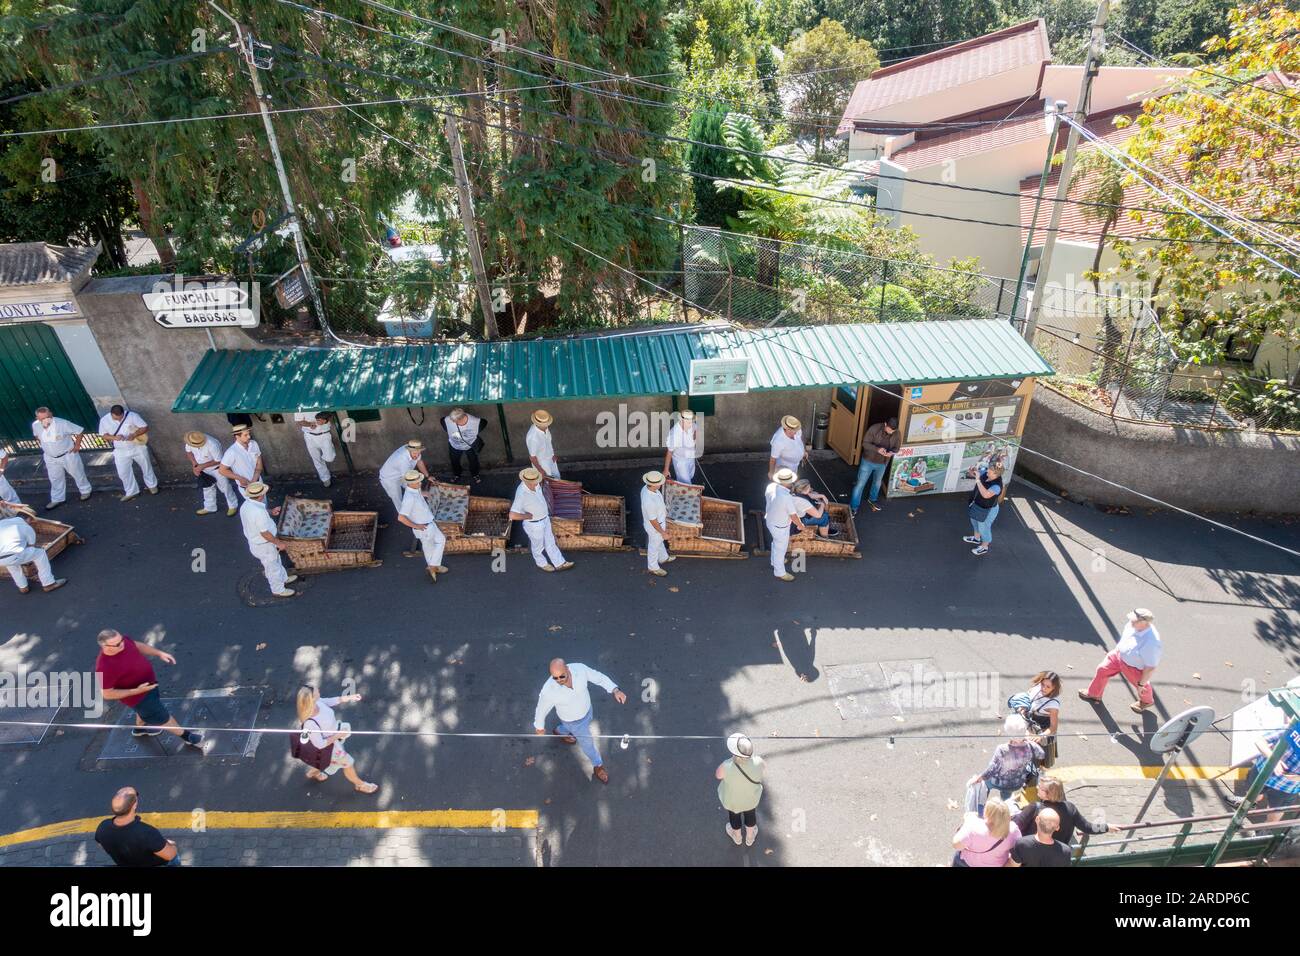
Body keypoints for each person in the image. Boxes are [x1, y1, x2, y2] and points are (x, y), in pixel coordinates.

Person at [94, 628, 203, 748]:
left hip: (149, 684)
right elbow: (107, 694)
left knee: (144, 712)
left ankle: (139, 730)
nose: (123, 644)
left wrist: (159, 653)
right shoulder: (104, 667)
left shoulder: (123, 642)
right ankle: (187, 737)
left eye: (122, 639)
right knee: (162, 716)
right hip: (138, 697)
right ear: (106, 647)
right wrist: (137, 691)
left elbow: (137, 645)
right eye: (118, 644)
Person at [533, 658, 626, 784]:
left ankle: (560, 731)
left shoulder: (580, 669)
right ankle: (598, 765)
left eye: (562, 676)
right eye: (555, 678)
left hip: (587, 710)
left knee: (570, 727)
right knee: (588, 744)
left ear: (567, 668)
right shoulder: (549, 691)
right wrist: (539, 726)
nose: (559, 680)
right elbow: (541, 709)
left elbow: (598, 677)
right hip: (573, 721)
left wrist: (615, 690)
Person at [296, 686, 379, 793]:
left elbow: (329, 701)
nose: (319, 691)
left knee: (325, 760)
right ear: (311, 699)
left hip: (334, 737)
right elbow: (320, 744)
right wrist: (338, 735)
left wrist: (348, 698)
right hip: (331, 747)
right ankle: (360, 785)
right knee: (348, 763)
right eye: (317, 691)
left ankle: (313, 772)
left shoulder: (317, 703)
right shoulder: (310, 723)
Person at [1079, 609, 1161, 714]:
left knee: (1143, 687)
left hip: (1133, 667)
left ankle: (1147, 701)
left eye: (1134, 620)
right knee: (1102, 669)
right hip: (1118, 655)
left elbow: (1150, 667)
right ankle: (1094, 693)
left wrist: (1141, 684)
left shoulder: (1152, 642)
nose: (1130, 621)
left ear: (1144, 622)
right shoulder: (1132, 625)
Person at [1229, 718, 1300, 827]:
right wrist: (1273, 758)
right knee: (1252, 791)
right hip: (1263, 770)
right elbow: (1260, 741)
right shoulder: (1294, 728)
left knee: (1275, 811)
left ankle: (1264, 830)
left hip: (1287, 787)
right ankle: (1249, 803)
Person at [965, 714, 1044, 811]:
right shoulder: (1031, 746)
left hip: (998, 781)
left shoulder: (1002, 749)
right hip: (1016, 782)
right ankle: (1005, 812)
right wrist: (1028, 740)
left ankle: (982, 805)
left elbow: (992, 769)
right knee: (1006, 799)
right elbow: (1041, 754)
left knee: (985, 784)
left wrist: (980, 777)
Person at [1013, 777, 1119, 847]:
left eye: (1040, 788)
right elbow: (1087, 827)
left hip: (1030, 849)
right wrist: (1107, 827)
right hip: (1056, 852)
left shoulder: (1035, 808)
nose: (1036, 787)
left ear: (1047, 794)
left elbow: (1015, 825)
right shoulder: (1070, 808)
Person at [94, 787, 179, 867]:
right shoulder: (146, 832)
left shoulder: (103, 827)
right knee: (174, 857)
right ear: (134, 805)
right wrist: (171, 844)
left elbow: (101, 844)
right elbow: (170, 855)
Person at [510, 466, 573, 572]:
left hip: (545, 519)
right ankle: (541, 563)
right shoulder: (521, 493)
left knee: (550, 541)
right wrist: (527, 516)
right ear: (527, 482)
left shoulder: (536, 484)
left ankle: (559, 563)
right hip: (534, 524)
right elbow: (512, 515)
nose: (537, 482)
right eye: (535, 481)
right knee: (537, 546)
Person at [239, 481, 297, 598]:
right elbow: (265, 533)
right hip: (264, 544)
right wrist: (279, 543)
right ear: (261, 496)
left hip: (257, 543)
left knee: (276, 561)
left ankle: (283, 578)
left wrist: (271, 511)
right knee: (272, 568)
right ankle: (278, 589)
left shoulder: (246, 505)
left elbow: (260, 517)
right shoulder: (259, 512)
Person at [31, 406, 91, 510]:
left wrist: (77, 445)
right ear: (37, 418)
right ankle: (57, 499)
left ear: (50, 414)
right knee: (55, 478)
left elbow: (79, 431)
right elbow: (37, 436)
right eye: (41, 419)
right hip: (50, 457)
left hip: (67, 455)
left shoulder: (62, 423)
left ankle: (85, 491)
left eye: (46, 417)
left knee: (77, 473)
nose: (45, 420)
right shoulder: (36, 425)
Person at [396, 469, 448, 583]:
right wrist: (416, 526)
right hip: (424, 527)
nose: (420, 483)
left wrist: (425, 494)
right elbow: (401, 518)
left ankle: (433, 566)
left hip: (429, 523)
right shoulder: (409, 499)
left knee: (438, 542)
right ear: (410, 483)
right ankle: (433, 566)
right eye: (418, 481)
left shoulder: (415, 489)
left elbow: (419, 494)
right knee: (433, 544)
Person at [98, 404, 157, 502]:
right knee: (123, 472)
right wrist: (114, 438)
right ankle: (131, 491)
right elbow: (103, 435)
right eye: (116, 418)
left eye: (120, 418)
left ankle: (152, 485)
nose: (119, 420)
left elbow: (145, 427)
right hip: (120, 450)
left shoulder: (132, 415)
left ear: (123, 413)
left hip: (137, 447)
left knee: (146, 466)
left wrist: (134, 434)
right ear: (111, 414)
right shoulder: (104, 420)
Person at [716, 733, 765, 846]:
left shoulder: (726, 765)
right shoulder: (758, 761)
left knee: (734, 817)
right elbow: (763, 771)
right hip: (750, 798)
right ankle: (750, 837)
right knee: (750, 815)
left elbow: (718, 775)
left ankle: (737, 837)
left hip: (733, 800)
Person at [0, 509, 66, 592]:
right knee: (40, 553)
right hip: (15, 554)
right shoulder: (26, 527)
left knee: (11, 564)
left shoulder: (3, 523)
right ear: (28, 519)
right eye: (31, 521)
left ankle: (23, 587)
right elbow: (32, 545)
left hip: (1, 559)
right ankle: (49, 583)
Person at [1008, 671, 1062, 769]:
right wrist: (1023, 707)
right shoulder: (1036, 688)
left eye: (1048, 687)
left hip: (1042, 730)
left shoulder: (1053, 705)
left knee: (1041, 758)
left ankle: (1039, 773)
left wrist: (1041, 736)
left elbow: (1053, 727)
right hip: (1029, 724)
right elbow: (1027, 697)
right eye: (1043, 684)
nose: (1043, 688)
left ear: (1054, 688)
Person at [849, 417, 898, 516]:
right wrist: (877, 449)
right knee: (860, 484)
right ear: (885, 424)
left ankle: (872, 499)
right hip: (868, 461)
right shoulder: (874, 428)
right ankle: (853, 507)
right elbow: (865, 444)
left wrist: (892, 452)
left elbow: (896, 448)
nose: (890, 432)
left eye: (893, 431)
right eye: (889, 429)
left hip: (883, 462)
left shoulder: (897, 433)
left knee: (877, 482)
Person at [951, 798, 1020, 867]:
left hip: (967, 863)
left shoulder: (974, 825)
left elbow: (956, 845)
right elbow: (1015, 859)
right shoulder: (1014, 830)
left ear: (987, 813)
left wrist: (967, 821)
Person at [185, 431, 239, 517]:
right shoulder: (191, 440)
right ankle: (210, 507)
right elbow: (189, 452)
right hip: (202, 469)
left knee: (225, 488)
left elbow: (218, 460)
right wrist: (194, 464)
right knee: (207, 488)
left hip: (217, 469)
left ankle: (233, 505)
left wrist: (201, 466)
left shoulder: (212, 444)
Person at [763, 467, 804, 582]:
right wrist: (800, 525)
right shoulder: (786, 498)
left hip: (770, 520)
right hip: (780, 526)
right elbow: (793, 516)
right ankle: (779, 572)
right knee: (781, 549)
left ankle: (774, 561)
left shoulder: (770, 487)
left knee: (776, 543)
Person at [1007, 808, 1073, 867]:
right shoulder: (1066, 851)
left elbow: (1012, 865)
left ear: (1037, 819)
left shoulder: (1022, 844)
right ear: (1057, 828)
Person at [963, 463, 1003, 556]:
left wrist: (977, 480)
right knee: (974, 521)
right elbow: (973, 474)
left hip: (988, 510)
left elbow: (986, 495)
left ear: (996, 474)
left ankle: (985, 546)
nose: (987, 471)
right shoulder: (986, 473)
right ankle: (976, 538)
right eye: (988, 469)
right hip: (978, 504)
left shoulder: (997, 486)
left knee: (984, 528)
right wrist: (972, 471)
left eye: (990, 471)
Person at [379, 439, 428, 515]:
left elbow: (419, 461)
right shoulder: (402, 459)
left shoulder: (414, 449)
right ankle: (404, 517)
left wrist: (428, 476)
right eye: (415, 453)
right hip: (389, 478)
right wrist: (420, 492)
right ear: (409, 450)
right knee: (397, 499)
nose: (417, 455)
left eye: (419, 453)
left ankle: (412, 507)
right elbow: (408, 480)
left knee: (411, 490)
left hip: (402, 473)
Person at [640, 470, 674, 576]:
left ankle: (663, 557)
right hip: (655, 526)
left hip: (657, 522)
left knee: (658, 541)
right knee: (654, 545)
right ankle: (653, 567)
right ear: (655, 485)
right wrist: (663, 532)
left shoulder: (645, 488)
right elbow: (653, 521)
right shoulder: (649, 501)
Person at [218, 423, 263, 498]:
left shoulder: (254, 444)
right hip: (245, 487)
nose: (249, 437)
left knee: (264, 504)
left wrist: (254, 481)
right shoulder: (231, 452)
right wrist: (240, 478)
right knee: (254, 507)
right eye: (245, 435)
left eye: (249, 434)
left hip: (258, 481)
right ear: (237, 436)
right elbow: (222, 470)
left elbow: (259, 466)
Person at [443, 407, 486, 482]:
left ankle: (475, 474)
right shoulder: (447, 419)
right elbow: (442, 421)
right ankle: (457, 474)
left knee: (473, 461)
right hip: (454, 445)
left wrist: (473, 434)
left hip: (470, 445)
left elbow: (484, 422)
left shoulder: (475, 421)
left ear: (461, 418)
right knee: (454, 461)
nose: (452, 421)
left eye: (454, 421)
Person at [294, 411, 336, 487]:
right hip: (309, 436)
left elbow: (332, 414)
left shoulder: (322, 399)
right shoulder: (299, 404)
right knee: (316, 459)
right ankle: (325, 479)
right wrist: (309, 424)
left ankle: (326, 455)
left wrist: (325, 420)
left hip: (324, 434)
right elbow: (299, 421)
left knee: (330, 458)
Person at [663, 410, 701, 485]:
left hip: (690, 457)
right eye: (689, 422)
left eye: (691, 422)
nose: (691, 424)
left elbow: (696, 428)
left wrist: (695, 438)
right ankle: (685, 495)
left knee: (690, 476)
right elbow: (669, 452)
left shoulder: (691, 424)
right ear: (682, 421)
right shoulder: (675, 434)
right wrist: (666, 470)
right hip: (681, 462)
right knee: (685, 484)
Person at [526, 409, 560, 479]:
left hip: (550, 458)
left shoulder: (545, 428)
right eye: (545, 424)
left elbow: (548, 442)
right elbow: (532, 457)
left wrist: (552, 454)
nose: (547, 425)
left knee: (557, 479)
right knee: (548, 483)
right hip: (542, 462)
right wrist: (541, 470)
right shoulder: (533, 438)